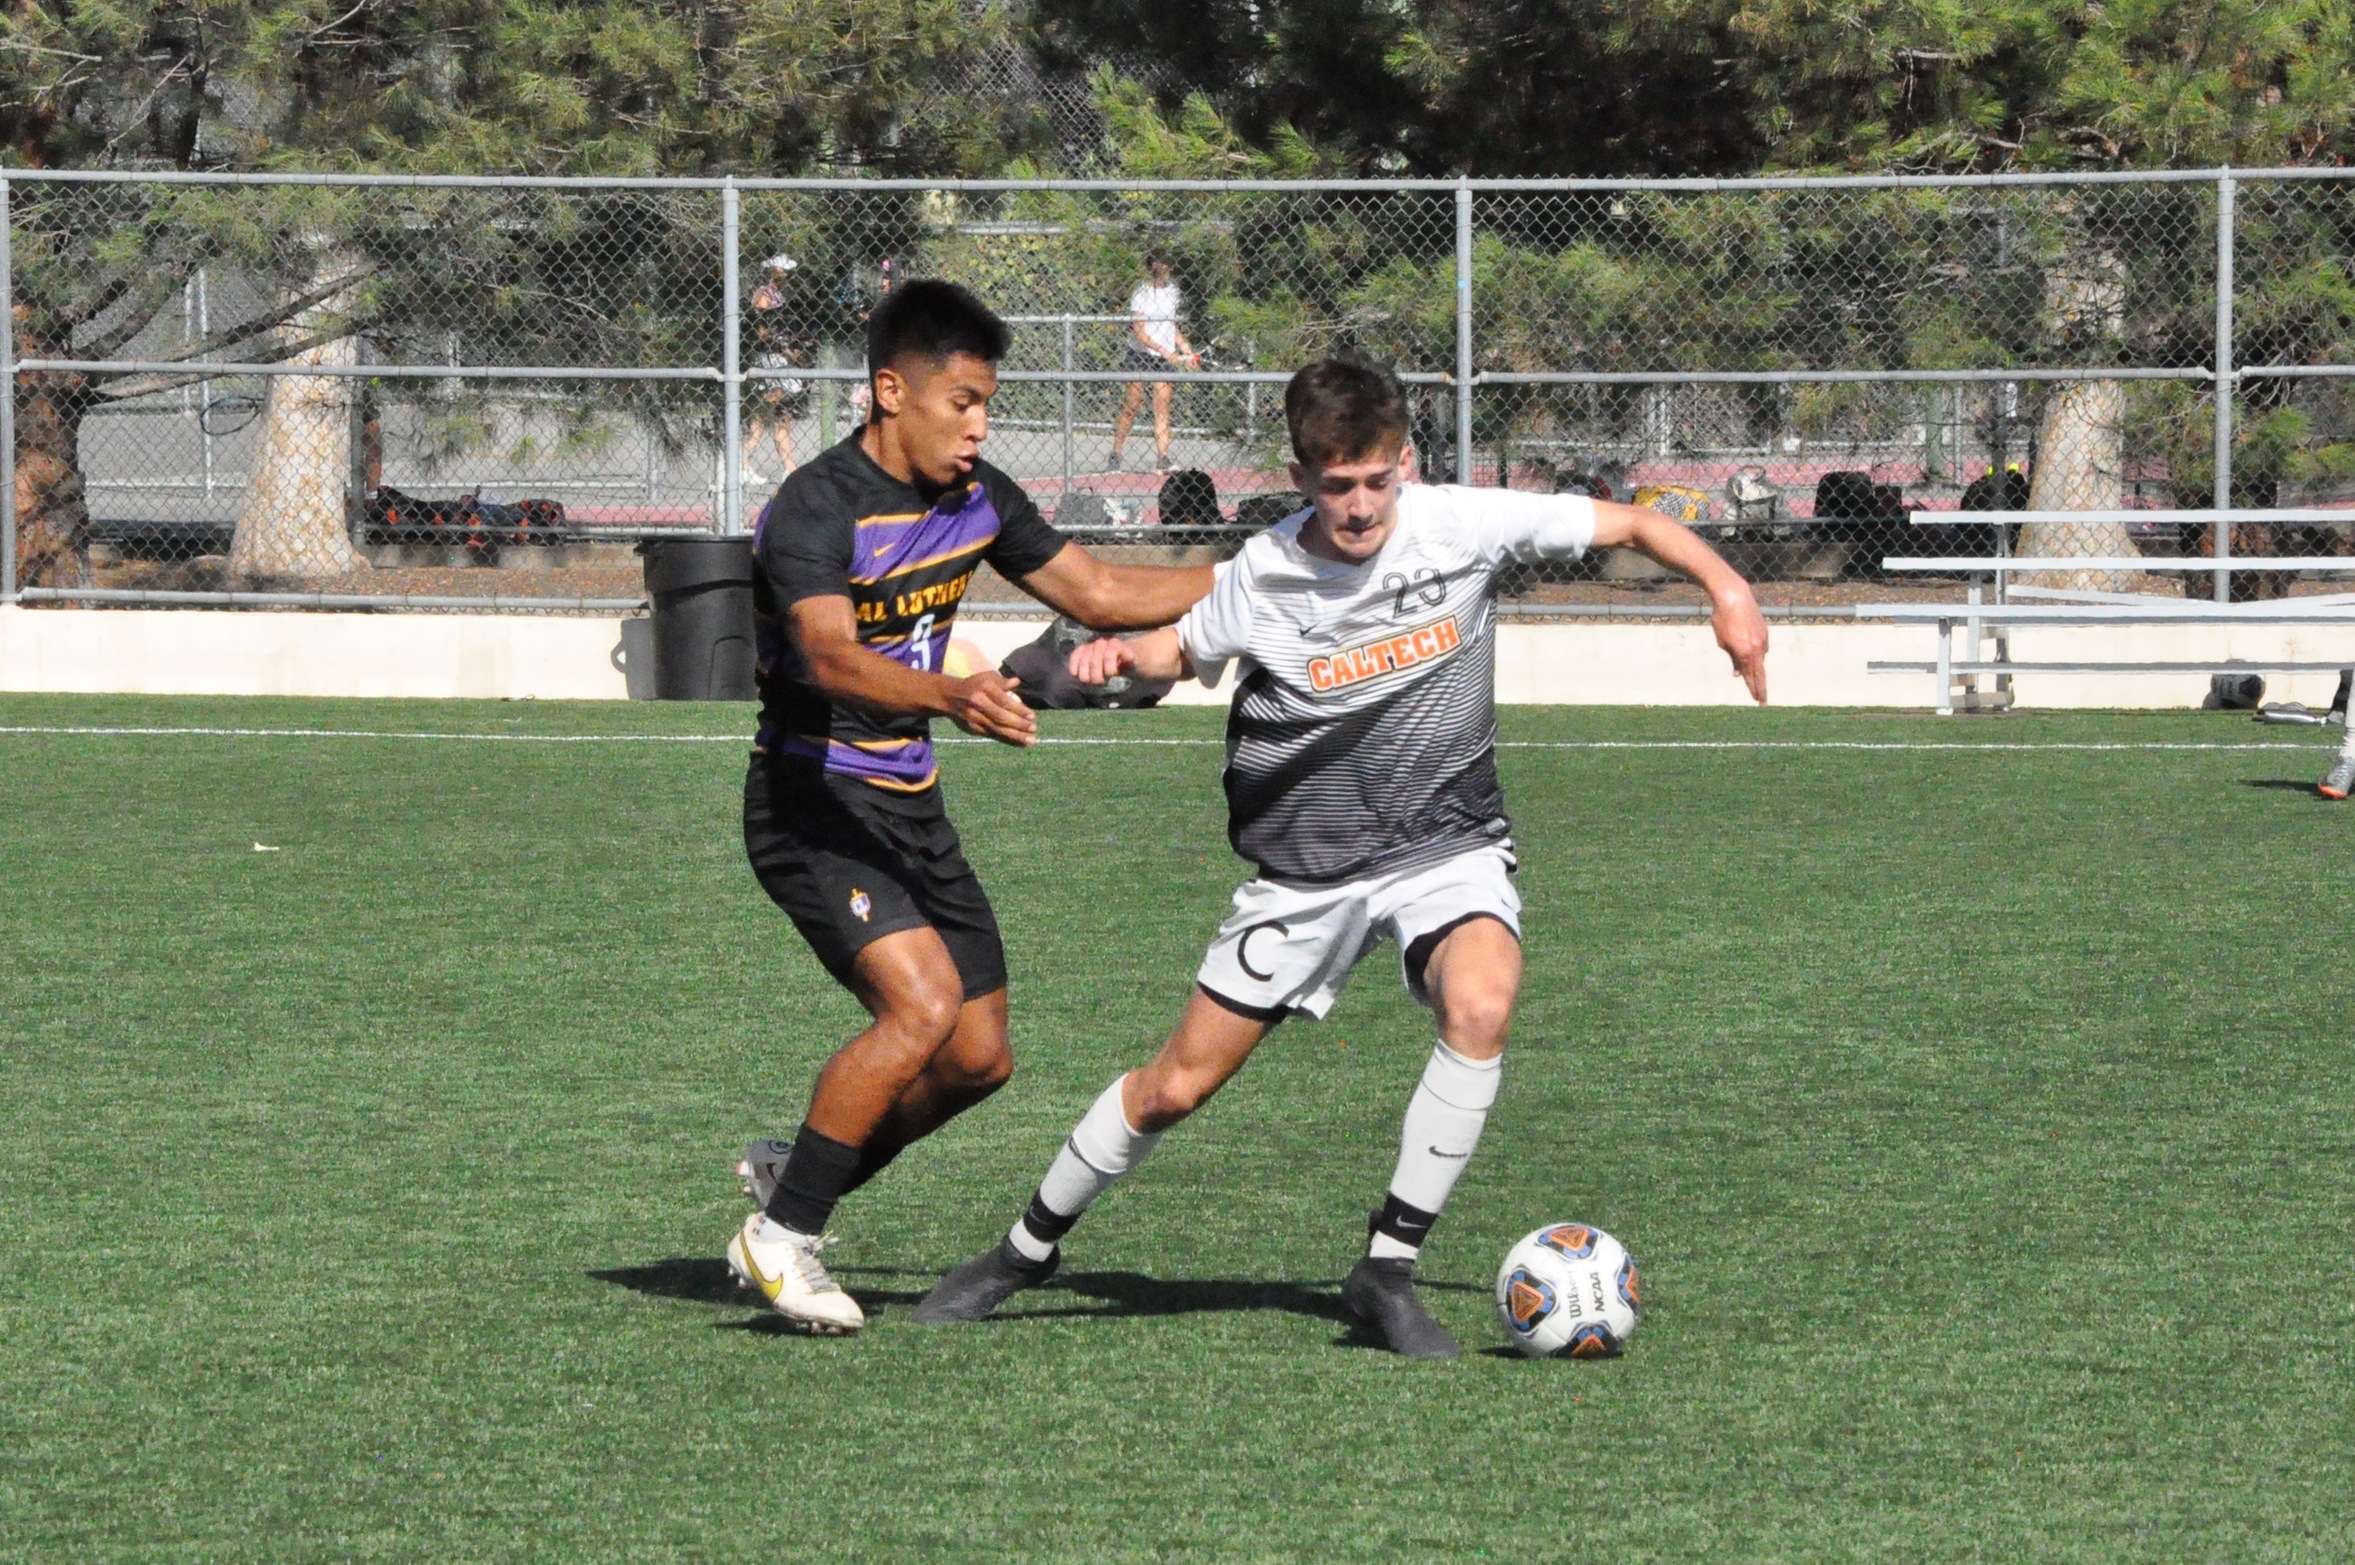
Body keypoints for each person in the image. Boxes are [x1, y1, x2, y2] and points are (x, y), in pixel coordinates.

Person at [915, 355, 1770, 1356]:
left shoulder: (1465, 523)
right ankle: (1024, 1248)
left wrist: (1728, 586)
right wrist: (1114, 656)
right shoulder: (1268, 571)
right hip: (1308, 868)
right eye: (1335, 486)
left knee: (1483, 1003)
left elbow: (1632, 522)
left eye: (1376, 480)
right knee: (1173, 1088)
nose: (1359, 507)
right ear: (1299, 474)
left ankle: (1387, 1267)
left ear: (1402, 459)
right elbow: (1177, 651)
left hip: (1444, 843)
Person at [728, 279, 1214, 1333]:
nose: (980, 424)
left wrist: (1251, 575)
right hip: (812, 797)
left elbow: (1095, 592)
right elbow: (825, 652)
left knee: (979, 1055)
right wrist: (954, 691)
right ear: (891, 391)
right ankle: (781, 1238)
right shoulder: (813, 507)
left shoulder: (976, 496)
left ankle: (800, 1177)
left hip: (910, 803)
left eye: (988, 402)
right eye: (963, 401)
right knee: (919, 1006)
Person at [1109, 252, 1198, 474]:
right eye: (1158, 262)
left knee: (1161, 407)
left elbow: (1171, 326)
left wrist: (1185, 348)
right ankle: (1116, 452)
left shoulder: (1173, 292)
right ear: (1151, 265)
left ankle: (1163, 457)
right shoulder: (1141, 292)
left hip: (1164, 358)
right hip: (1140, 355)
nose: (1163, 266)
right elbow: (1139, 331)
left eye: (1167, 262)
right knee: (1132, 404)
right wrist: (1165, 351)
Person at [743, 255, 805, 483]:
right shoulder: (764, 294)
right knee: (764, 412)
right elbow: (760, 328)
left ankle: (789, 468)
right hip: (769, 358)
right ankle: (742, 463)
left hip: (780, 357)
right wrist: (782, 346)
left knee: (782, 415)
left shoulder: (780, 295)